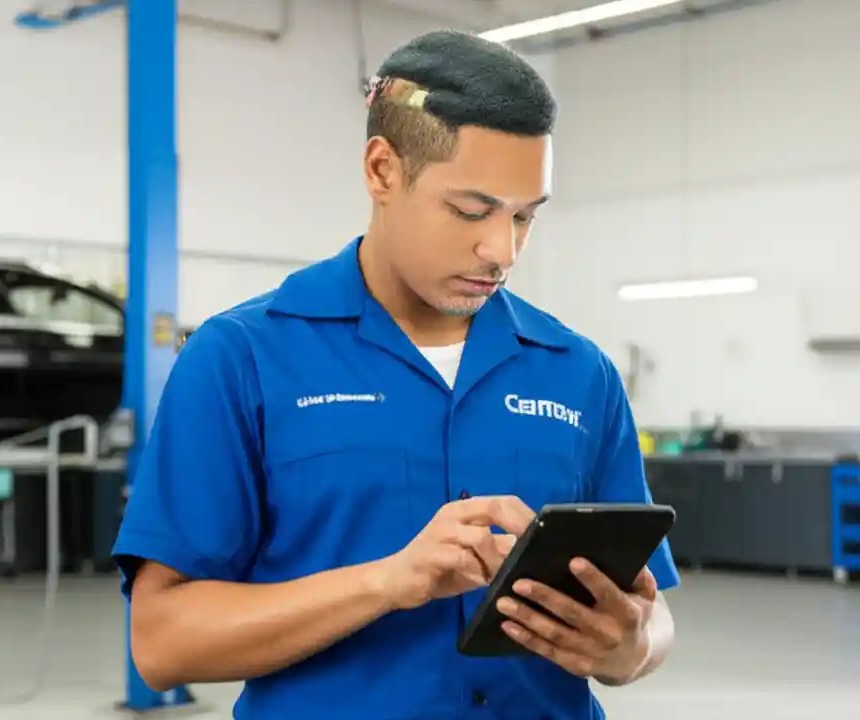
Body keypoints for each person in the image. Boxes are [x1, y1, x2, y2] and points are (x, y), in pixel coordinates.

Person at [112, 29, 679, 719]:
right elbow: (163, 643)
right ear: (382, 171)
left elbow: (654, 617)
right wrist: (388, 581)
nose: (500, 250)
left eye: (524, 217)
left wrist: (629, 647)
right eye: (471, 210)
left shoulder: (578, 372)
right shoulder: (242, 359)